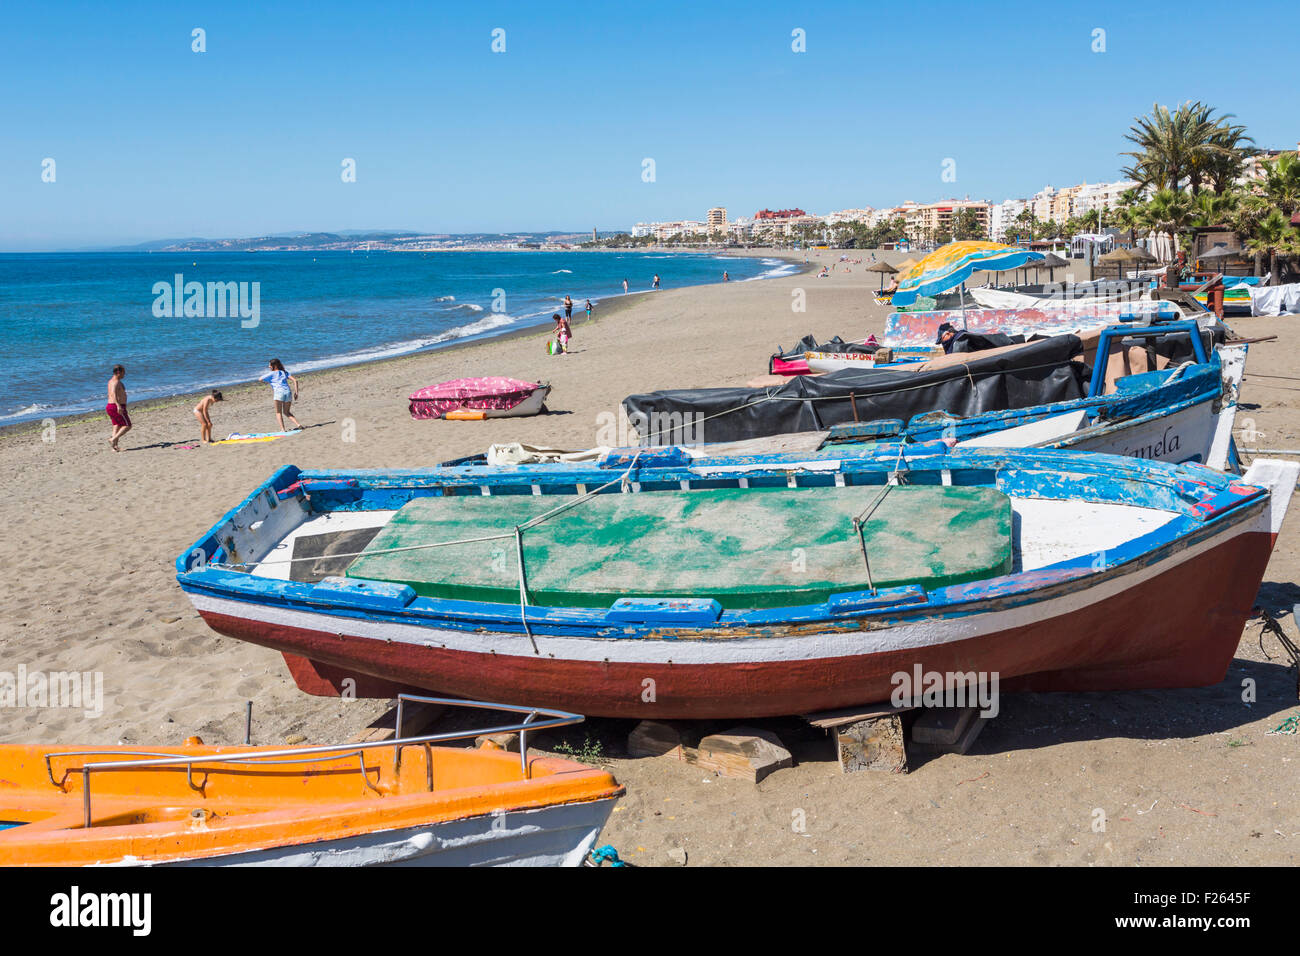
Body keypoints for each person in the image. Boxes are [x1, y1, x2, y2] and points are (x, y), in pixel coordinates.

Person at [260, 358, 302, 431]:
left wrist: (270, 381)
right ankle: (298, 424)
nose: (269, 367)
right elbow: (295, 380)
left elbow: (260, 379)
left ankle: (283, 429)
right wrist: (296, 392)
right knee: (287, 412)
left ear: (274, 366)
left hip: (279, 393)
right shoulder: (284, 372)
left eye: (270, 365)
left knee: (278, 412)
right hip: (288, 392)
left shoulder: (271, 373)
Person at [106, 364, 131, 451]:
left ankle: (114, 447)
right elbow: (113, 394)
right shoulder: (115, 382)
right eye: (123, 372)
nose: (124, 374)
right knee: (127, 425)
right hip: (116, 406)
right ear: (118, 372)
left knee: (116, 425)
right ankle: (113, 439)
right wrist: (118, 405)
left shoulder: (112, 381)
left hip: (111, 406)